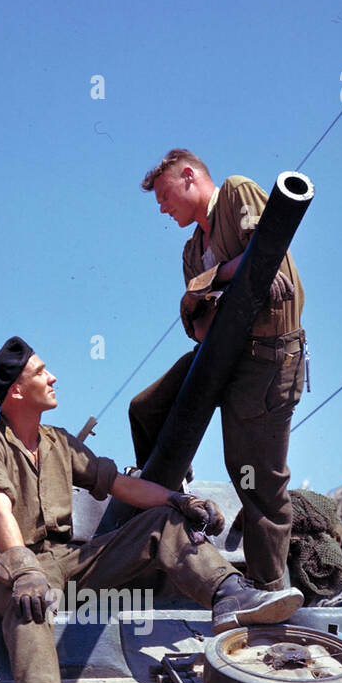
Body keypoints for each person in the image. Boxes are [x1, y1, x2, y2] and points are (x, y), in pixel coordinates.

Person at [0, 337, 303, 683]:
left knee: (161, 522)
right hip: (7, 564)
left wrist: (175, 500)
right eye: (40, 372)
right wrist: (22, 569)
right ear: (16, 390)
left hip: (67, 561)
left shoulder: (58, 442)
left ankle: (229, 594)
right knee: (29, 603)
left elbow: (117, 483)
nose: (52, 378)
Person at [129, 148, 307, 593]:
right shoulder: (193, 251)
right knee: (145, 408)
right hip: (220, 355)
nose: (163, 209)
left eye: (165, 197)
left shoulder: (234, 193)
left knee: (257, 477)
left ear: (189, 176)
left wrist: (209, 286)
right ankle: (172, 501)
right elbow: (199, 322)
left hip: (267, 358)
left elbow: (262, 257)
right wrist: (215, 283)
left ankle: (269, 588)